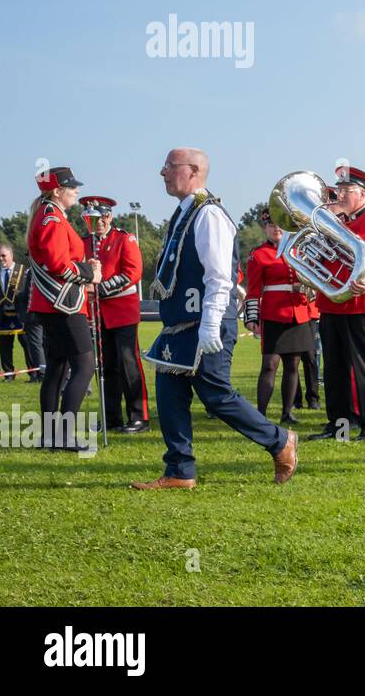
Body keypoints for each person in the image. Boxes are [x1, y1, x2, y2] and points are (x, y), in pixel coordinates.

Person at [133, 147, 297, 488]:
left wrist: (211, 322)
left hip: (204, 321)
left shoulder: (208, 215)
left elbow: (220, 275)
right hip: (181, 322)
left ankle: (279, 440)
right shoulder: (185, 212)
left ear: (192, 171)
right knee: (168, 389)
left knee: (215, 394)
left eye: (169, 166)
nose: (162, 172)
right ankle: (180, 470)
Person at [307, 166, 365, 443]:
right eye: (339, 190)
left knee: (363, 368)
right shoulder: (334, 222)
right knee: (334, 369)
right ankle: (340, 426)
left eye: (347, 190)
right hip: (332, 303)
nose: (340, 194)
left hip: (362, 306)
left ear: (363, 193)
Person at [26, 166, 100, 449]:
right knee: (84, 365)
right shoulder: (52, 219)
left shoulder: (50, 216)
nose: (77, 191)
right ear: (57, 191)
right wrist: (88, 273)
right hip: (62, 304)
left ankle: (49, 435)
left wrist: (85, 268)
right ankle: (65, 435)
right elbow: (57, 264)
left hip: (53, 303)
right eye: (72, 187)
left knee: (57, 368)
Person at [79, 196, 149, 433]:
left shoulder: (124, 239)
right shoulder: (84, 242)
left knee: (129, 363)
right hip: (98, 311)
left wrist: (101, 288)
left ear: (109, 216)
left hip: (122, 309)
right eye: (91, 218)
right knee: (107, 366)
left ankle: (139, 416)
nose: (96, 222)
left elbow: (133, 272)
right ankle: (112, 417)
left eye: (100, 217)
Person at [244, 208, 317, 425]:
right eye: (271, 225)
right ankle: (261, 413)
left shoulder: (299, 252)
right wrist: (252, 317)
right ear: (265, 228)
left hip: (298, 313)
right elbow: (253, 290)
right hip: (274, 314)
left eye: (279, 225)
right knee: (269, 365)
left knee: (292, 365)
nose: (276, 229)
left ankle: (287, 412)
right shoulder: (258, 255)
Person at [0, 243, 38, 380]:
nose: (0, 259)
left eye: (3, 256)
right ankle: (9, 374)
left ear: (11, 255)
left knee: (28, 346)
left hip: (21, 315)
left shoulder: (23, 271)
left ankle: (34, 373)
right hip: (3, 316)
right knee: (4, 347)